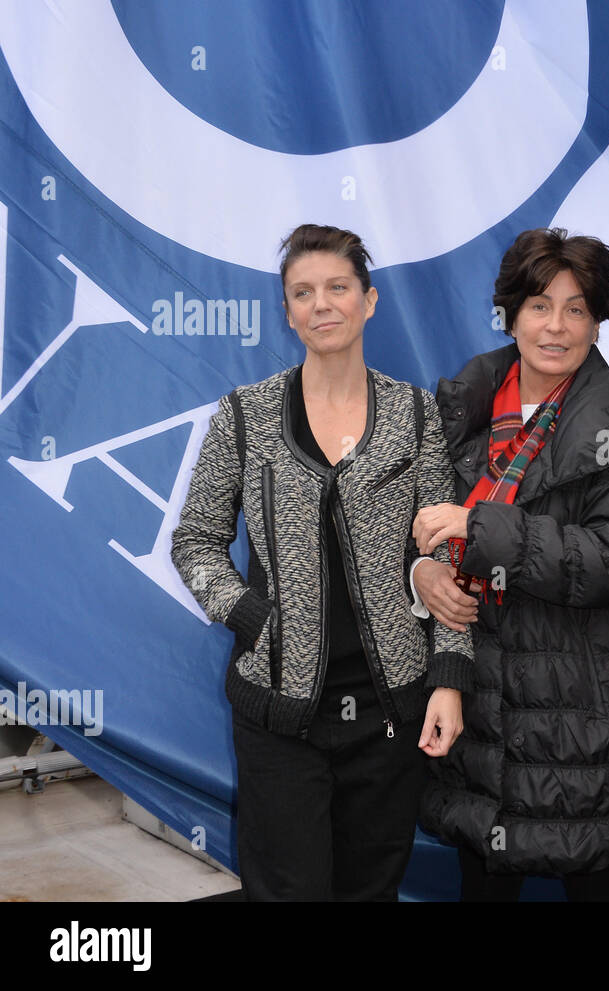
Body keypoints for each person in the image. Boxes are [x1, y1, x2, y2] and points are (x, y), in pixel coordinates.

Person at [170, 224, 472, 901]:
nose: (322, 304)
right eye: (303, 293)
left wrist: (449, 678)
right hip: (279, 716)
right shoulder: (243, 416)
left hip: (390, 712)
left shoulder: (416, 414)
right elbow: (195, 539)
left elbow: (447, 552)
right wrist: (251, 616)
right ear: (287, 312)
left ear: (369, 299)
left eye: (338, 287)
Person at [412, 227, 609, 901]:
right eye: (539, 306)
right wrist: (422, 573)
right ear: (511, 315)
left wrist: (480, 526)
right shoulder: (456, 413)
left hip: (582, 723)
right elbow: (413, 531)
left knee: (595, 879)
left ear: (598, 323)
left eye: (576, 309)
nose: (556, 326)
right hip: (479, 708)